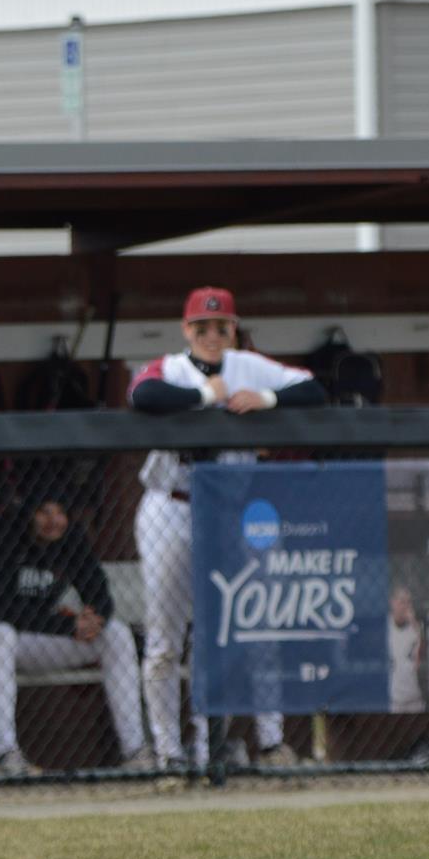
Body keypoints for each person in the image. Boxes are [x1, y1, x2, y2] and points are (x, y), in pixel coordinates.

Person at [129, 287, 327, 769]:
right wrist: (204, 396)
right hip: (171, 507)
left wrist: (266, 397)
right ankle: (169, 754)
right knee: (165, 641)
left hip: (230, 510)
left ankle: (255, 743)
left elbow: (315, 390)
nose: (213, 336)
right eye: (203, 327)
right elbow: (142, 394)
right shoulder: (170, 368)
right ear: (186, 330)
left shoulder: (249, 364)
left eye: (222, 327)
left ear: (234, 328)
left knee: (244, 628)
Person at [0, 487, 146, 774]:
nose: (54, 521)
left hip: (27, 639)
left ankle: (135, 752)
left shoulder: (70, 536)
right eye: (44, 512)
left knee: (116, 634)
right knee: (1, 634)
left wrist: (94, 617)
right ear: (28, 514)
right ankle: (5, 755)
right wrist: (65, 625)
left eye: (61, 513)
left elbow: (98, 589)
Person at [388, 586, 425, 713]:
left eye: (408, 602)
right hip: (393, 700)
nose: (405, 606)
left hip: (415, 698)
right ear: (392, 602)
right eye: (402, 602)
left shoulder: (416, 629)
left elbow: (425, 654)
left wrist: (415, 626)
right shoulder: (385, 628)